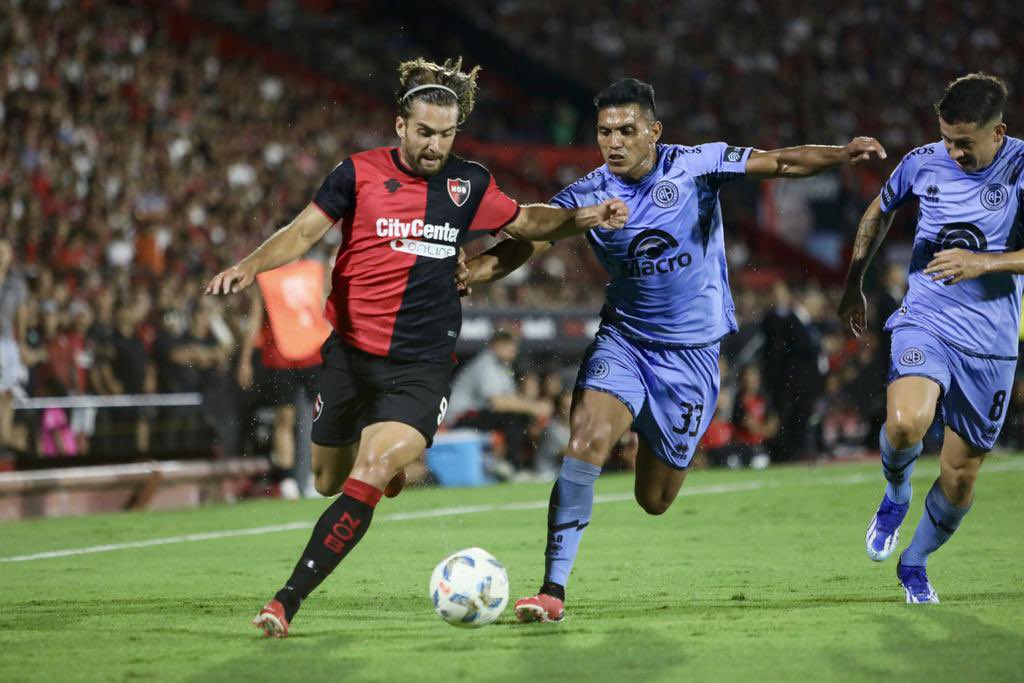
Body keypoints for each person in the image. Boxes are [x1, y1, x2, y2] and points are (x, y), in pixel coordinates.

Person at [204, 57, 628, 638]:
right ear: (400, 125)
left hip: (420, 368)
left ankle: (285, 600)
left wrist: (587, 216)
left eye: (446, 135)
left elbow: (527, 223)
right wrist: (251, 266)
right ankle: (381, 466)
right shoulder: (357, 173)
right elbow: (303, 232)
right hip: (349, 357)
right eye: (425, 132)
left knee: (370, 471)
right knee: (327, 480)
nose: (434, 146)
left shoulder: (467, 184)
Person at [462, 77, 885, 622]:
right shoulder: (588, 194)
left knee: (654, 499)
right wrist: (471, 272)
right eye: (604, 132)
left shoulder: (695, 165)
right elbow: (526, 242)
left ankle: (647, 434)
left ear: (654, 131)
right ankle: (552, 590)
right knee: (586, 441)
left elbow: (779, 162)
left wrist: (841, 154)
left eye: (626, 130)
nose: (614, 142)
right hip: (625, 341)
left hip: (691, 358)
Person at [838, 73, 1023, 603]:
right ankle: (896, 494)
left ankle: (914, 562)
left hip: (991, 343)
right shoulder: (922, 162)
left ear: (998, 132)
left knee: (960, 476)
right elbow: (879, 210)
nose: (953, 152)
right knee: (904, 424)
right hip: (927, 320)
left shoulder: (1020, 167)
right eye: (946, 138)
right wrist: (854, 283)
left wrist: (984, 262)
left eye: (964, 142)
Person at [445, 329, 552, 472]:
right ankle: (514, 467)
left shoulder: (502, 366)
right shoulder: (485, 364)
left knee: (522, 417)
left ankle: (517, 464)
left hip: (476, 413)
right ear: (496, 346)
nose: (514, 351)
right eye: (509, 346)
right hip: (459, 417)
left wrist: (533, 403)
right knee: (511, 417)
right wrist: (533, 407)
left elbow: (510, 398)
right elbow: (497, 403)